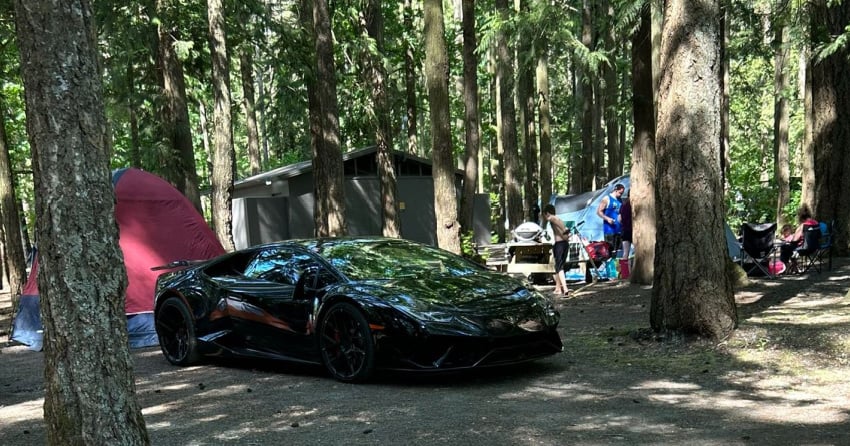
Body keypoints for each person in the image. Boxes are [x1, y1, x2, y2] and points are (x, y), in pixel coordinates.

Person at [541, 204, 569, 296]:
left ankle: (565, 288)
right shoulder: (559, 219)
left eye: (545, 215)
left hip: (559, 245)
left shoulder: (553, 218)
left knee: (559, 267)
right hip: (565, 244)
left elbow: (552, 219)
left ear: (547, 213)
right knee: (558, 266)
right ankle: (558, 288)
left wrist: (563, 229)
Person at [596, 184, 625, 249]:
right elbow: (599, 211)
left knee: (619, 252)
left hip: (619, 230)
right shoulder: (607, 198)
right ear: (616, 190)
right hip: (609, 230)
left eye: (622, 193)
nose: (621, 195)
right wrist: (607, 219)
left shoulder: (620, 200)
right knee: (610, 251)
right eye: (620, 193)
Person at [619, 197, 633, 276]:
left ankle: (625, 273)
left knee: (625, 253)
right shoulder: (634, 204)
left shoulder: (623, 206)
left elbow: (619, 219)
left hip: (625, 231)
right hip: (634, 231)